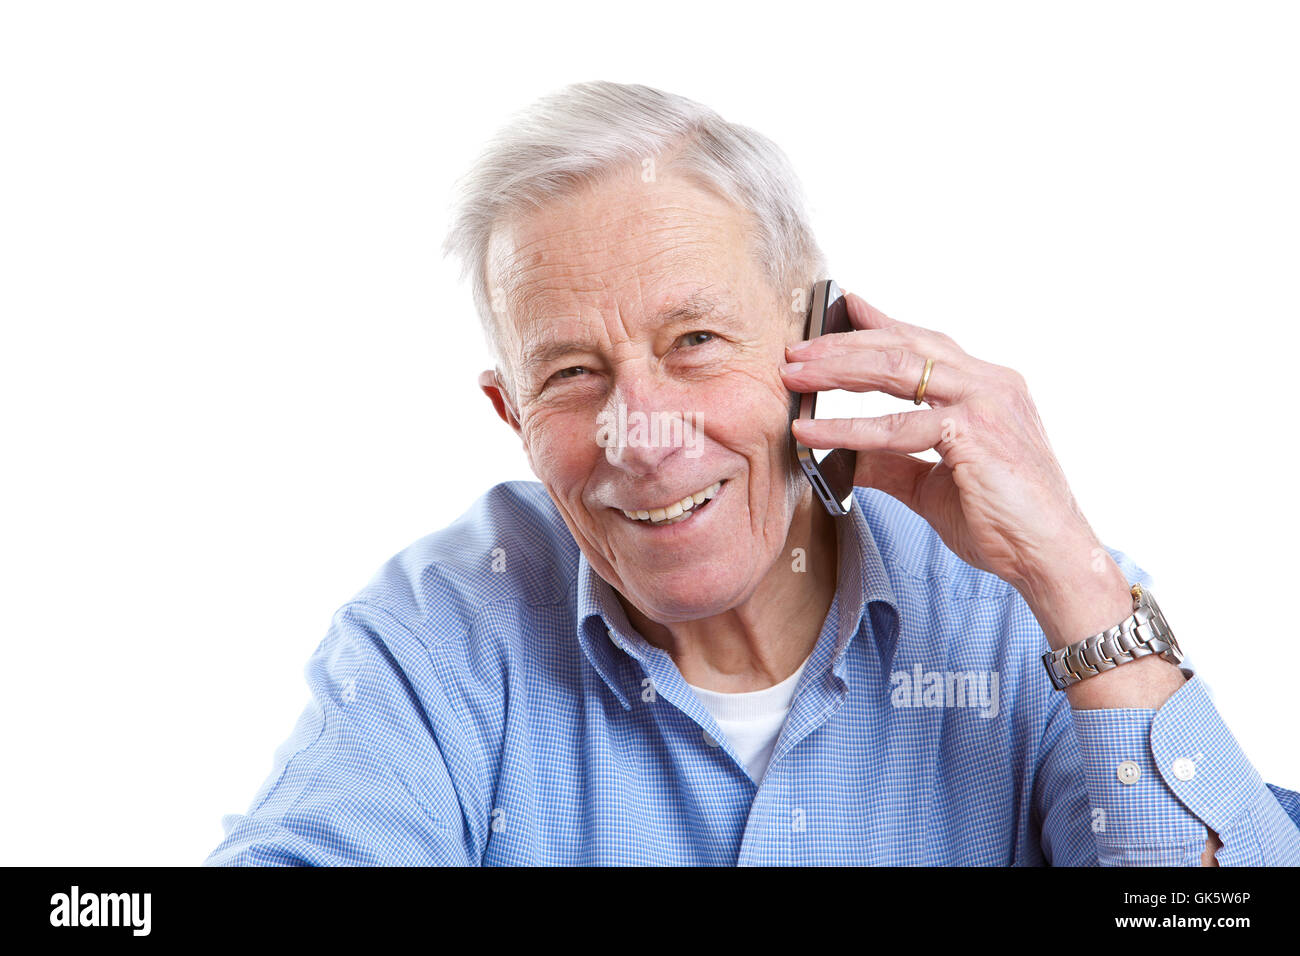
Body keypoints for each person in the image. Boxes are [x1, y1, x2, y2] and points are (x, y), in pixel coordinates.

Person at [205, 81, 1300, 865]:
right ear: (510, 413)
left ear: (809, 339)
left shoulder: (1021, 612)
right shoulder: (440, 633)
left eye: (694, 342)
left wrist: (1070, 571)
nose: (642, 431)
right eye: (574, 373)